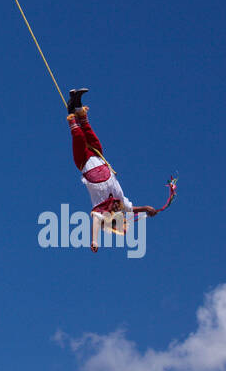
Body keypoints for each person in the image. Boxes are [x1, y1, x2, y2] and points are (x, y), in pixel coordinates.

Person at [65, 89, 166, 252]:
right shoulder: (120, 203)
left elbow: (96, 222)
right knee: (90, 134)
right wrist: (147, 209)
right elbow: (133, 209)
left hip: (84, 162)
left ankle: (71, 107)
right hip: (98, 157)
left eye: (114, 218)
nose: (116, 213)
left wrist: (94, 241)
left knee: (78, 136)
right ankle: (77, 104)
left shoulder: (100, 210)